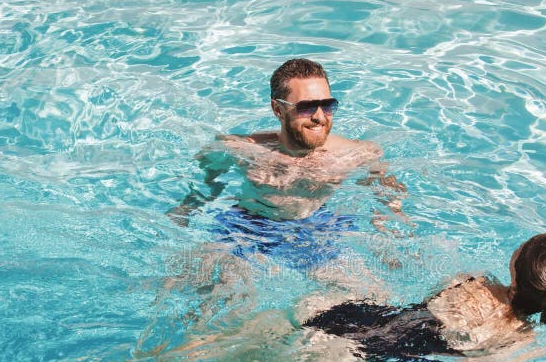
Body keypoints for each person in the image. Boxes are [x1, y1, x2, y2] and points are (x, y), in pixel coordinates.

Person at [92, 233, 546, 362]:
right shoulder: (521, 345)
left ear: (516, 265)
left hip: (354, 314)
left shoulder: (472, 279)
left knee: (230, 339)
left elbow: (416, 305)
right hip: (370, 360)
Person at [168, 58, 405, 272]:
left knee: (362, 293)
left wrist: (386, 231)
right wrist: (187, 208)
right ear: (278, 109)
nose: (320, 117)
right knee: (214, 291)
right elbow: (208, 175)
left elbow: (386, 189)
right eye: (306, 107)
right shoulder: (242, 149)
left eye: (328, 105)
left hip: (315, 225)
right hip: (248, 224)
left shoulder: (357, 153)